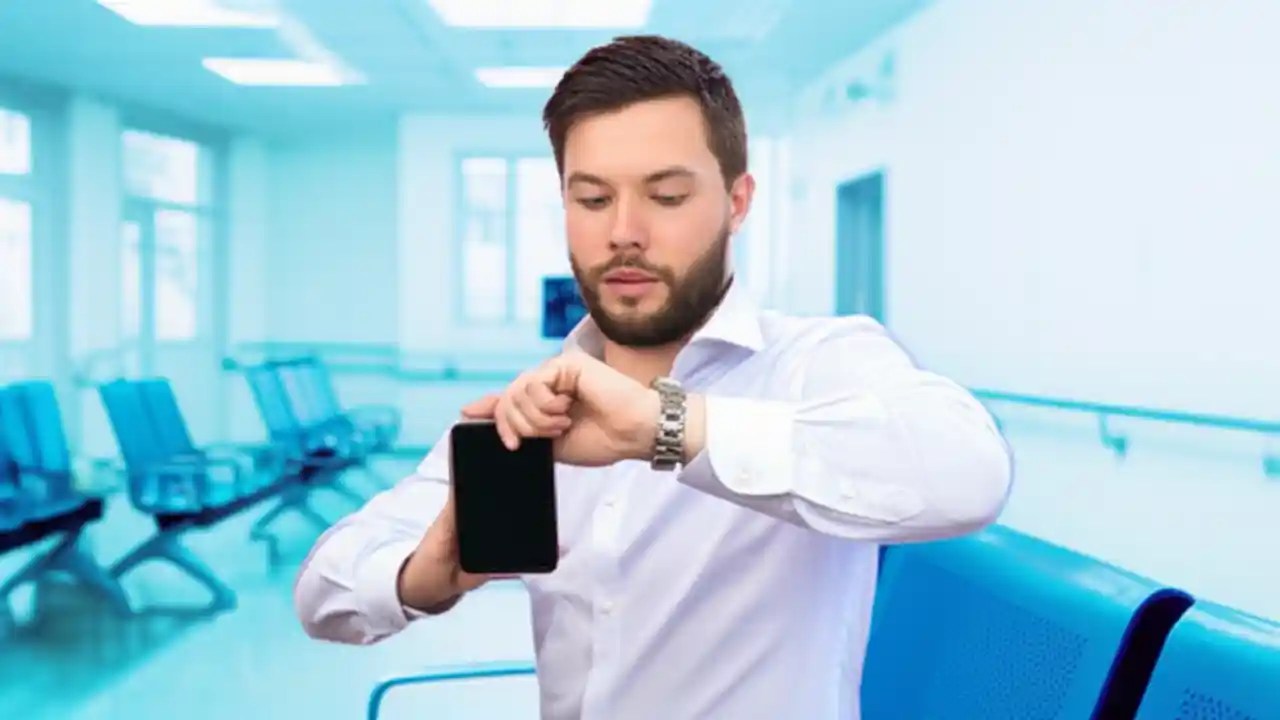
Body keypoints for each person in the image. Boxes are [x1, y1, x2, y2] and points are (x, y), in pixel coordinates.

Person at [294, 34, 1013, 720]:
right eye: (593, 198)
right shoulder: (533, 411)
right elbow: (324, 591)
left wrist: (663, 427)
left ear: (737, 202)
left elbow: (969, 472)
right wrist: (431, 571)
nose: (624, 231)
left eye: (666, 196)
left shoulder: (818, 364)